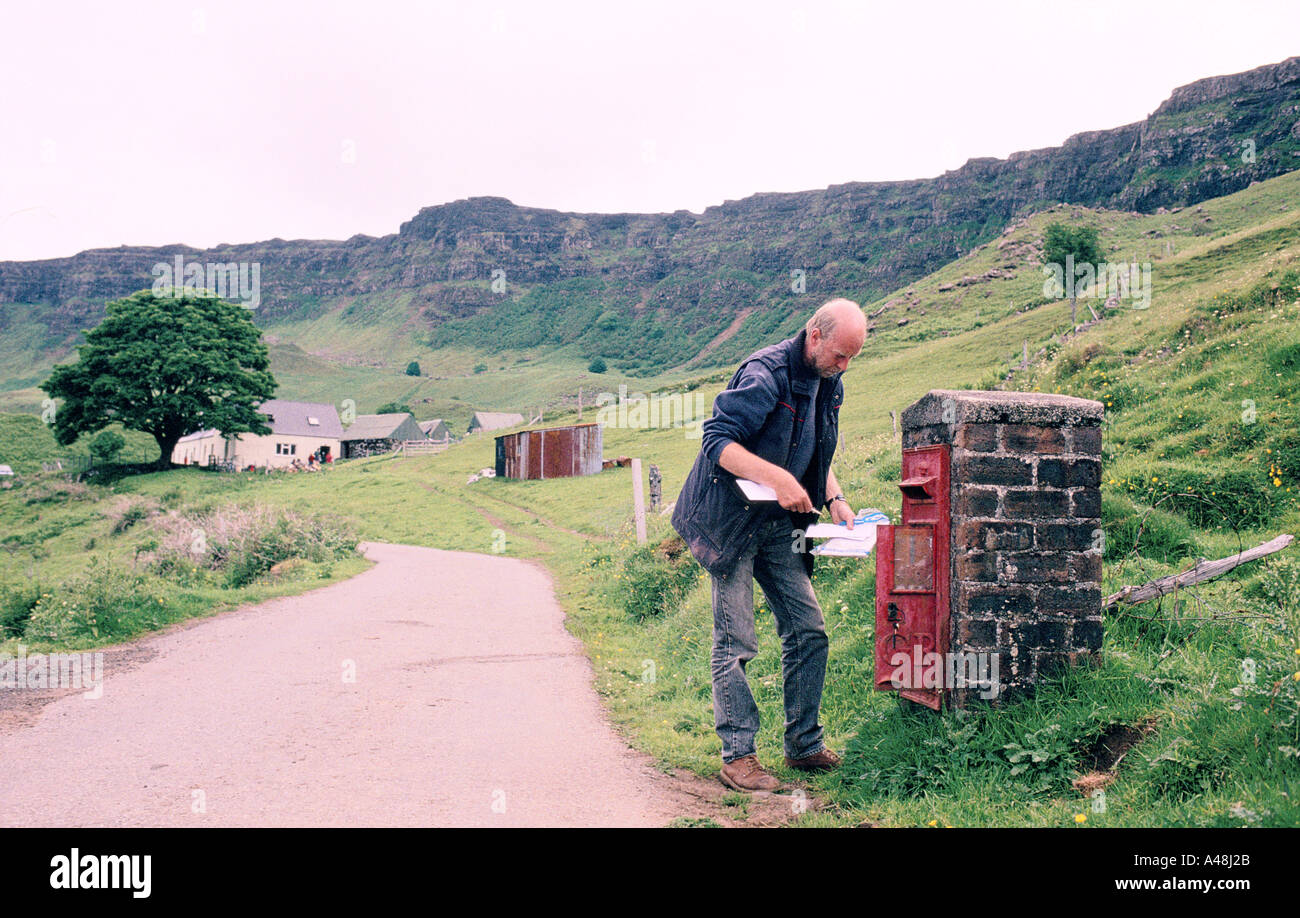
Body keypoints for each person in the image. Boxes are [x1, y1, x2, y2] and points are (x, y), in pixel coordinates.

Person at [671, 298, 867, 792]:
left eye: (851, 359)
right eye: (840, 355)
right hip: (729, 521)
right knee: (736, 641)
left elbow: (814, 449)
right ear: (814, 335)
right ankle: (738, 756)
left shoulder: (829, 382)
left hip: (778, 525)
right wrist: (778, 477)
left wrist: (836, 497)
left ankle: (803, 745)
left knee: (809, 630)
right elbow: (718, 441)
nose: (843, 367)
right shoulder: (764, 373)